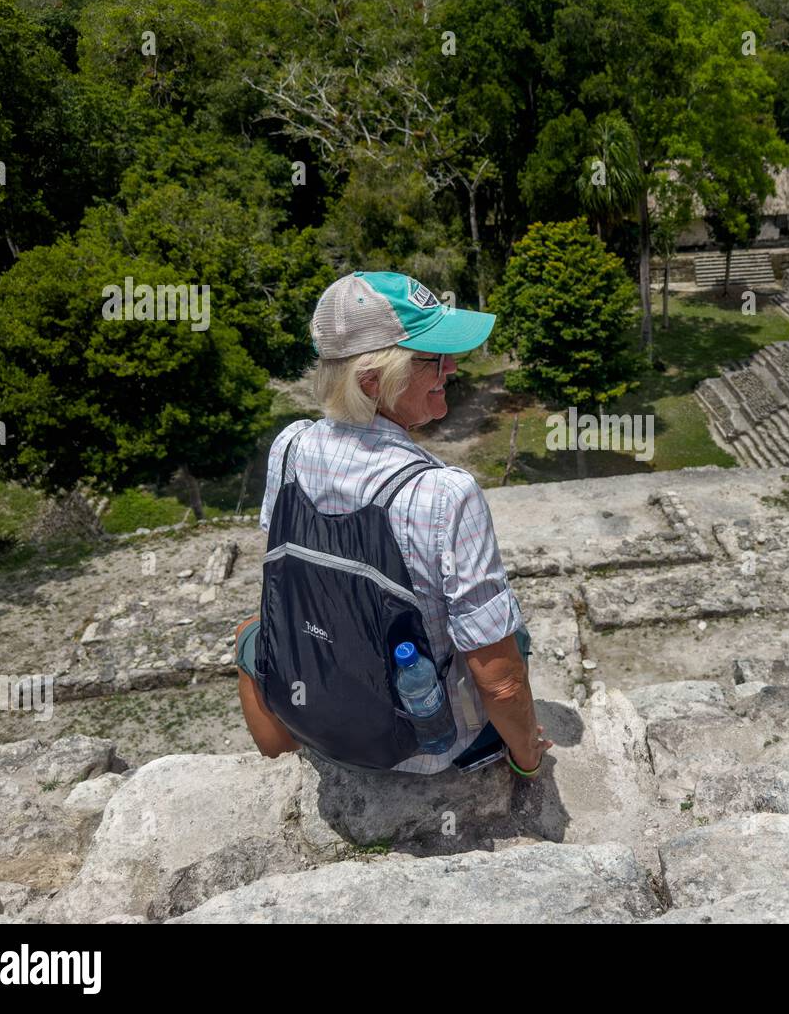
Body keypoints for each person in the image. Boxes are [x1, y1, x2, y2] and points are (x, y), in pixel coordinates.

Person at [233, 270, 553, 778]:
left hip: (319, 712)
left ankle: (287, 753)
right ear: (372, 380)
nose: (452, 368)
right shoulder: (444, 493)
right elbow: (500, 683)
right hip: (423, 746)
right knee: (515, 641)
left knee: (251, 632)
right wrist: (529, 757)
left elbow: (293, 588)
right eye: (433, 359)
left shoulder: (289, 447)